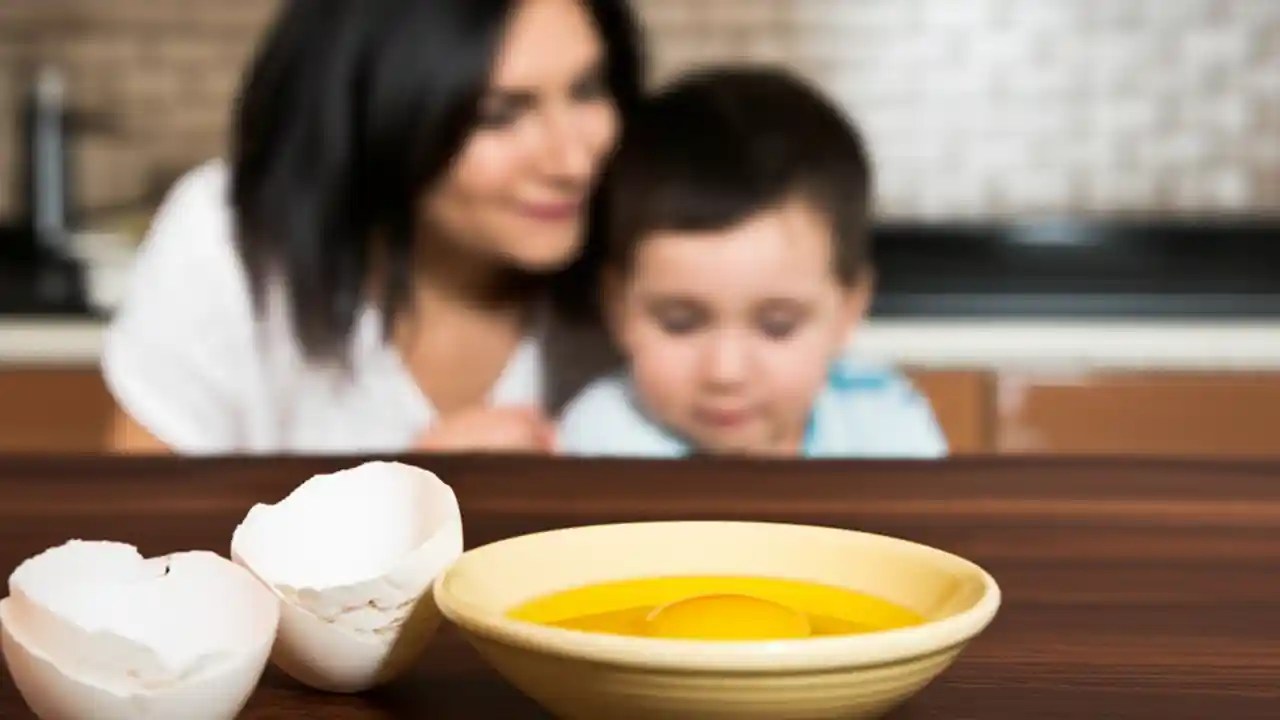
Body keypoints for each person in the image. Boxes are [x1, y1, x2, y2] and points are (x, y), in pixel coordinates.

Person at [101, 0, 642, 455]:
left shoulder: (645, 245)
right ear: (376, 113)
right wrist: (405, 504)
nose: (573, 162)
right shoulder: (228, 237)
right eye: (497, 115)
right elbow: (136, 545)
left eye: (587, 89)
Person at [557, 66, 948, 458]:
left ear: (849, 310)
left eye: (777, 326)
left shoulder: (886, 422)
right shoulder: (597, 442)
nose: (725, 372)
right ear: (616, 306)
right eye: (680, 323)